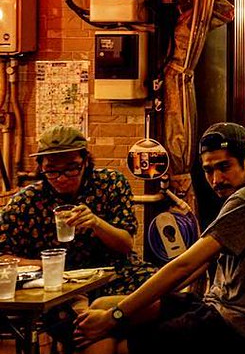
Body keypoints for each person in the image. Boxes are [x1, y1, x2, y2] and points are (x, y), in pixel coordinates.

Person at [74, 123, 245, 354]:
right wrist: (127, 310)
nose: (216, 179)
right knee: (99, 307)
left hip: (239, 329)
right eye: (208, 170)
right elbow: (200, 264)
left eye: (224, 167)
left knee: (116, 346)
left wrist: (115, 317)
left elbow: (183, 265)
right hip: (221, 310)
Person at [0, 127, 154, 297]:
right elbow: (3, 257)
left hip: (112, 273)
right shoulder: (26, 201)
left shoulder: (110, 184)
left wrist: (96, 223)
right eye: (52, 171)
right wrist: (48, 263)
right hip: (55, 282)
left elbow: (126, 245)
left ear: (85, 161)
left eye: (71, 168)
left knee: (158, 290)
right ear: (41, 168)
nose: (62, 178)